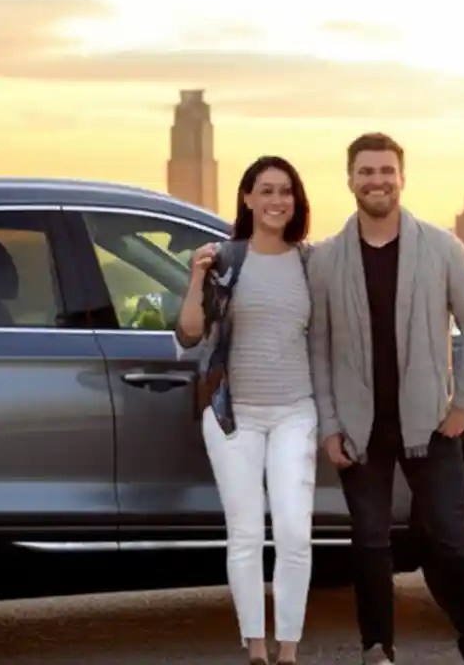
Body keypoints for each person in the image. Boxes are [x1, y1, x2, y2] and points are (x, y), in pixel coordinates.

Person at [307, 133, 464, 665]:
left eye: (386, 171)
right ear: (350, 180)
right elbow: (317, 349)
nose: (377, 181)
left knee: (451, 537)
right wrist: (329, 426)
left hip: (430, 422)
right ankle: (377, 647)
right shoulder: (325, 260)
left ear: (402, 178)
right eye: (366, 172)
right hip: (359, 427)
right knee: (370, 542)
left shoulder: (441, 248)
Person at [176, 155, 316, 665]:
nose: (277, 200)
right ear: (248, 198)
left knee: (295, 532)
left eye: (286, 191)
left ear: (296, 201)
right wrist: (197, 277)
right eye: (267, 190)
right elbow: (189, 334)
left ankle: (288, 648)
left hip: (295, 412)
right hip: (233, 415)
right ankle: (255, 646)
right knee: (246, 534)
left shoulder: (309, 263)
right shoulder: (225, 259)